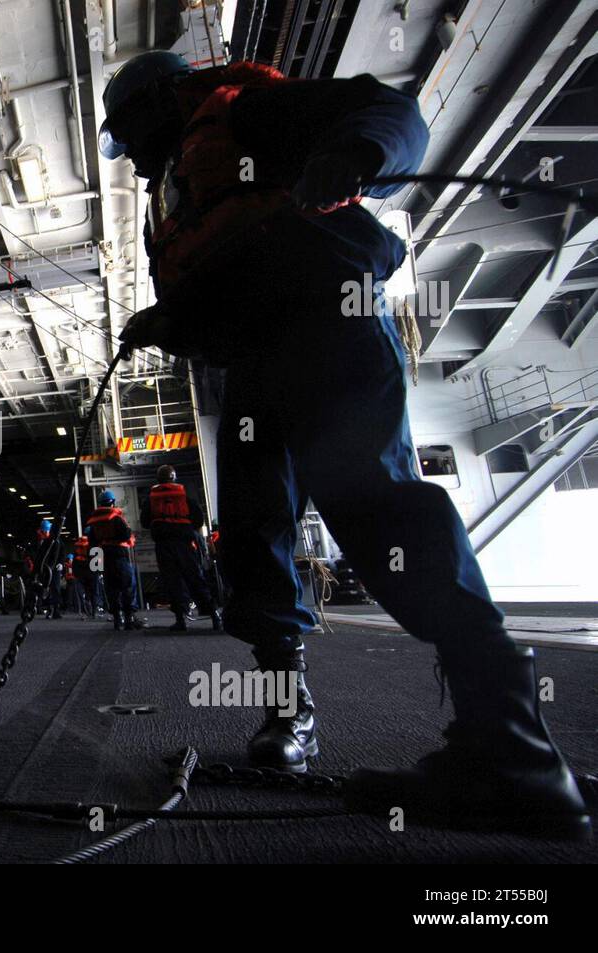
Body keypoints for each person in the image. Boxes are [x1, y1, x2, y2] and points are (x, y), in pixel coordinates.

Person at [104, 50, 588, 837]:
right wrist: (171, 321)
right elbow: (221, 283)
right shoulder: (177, 189)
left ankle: (510, 746)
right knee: (253, 536)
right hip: (255, 363)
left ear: (161, 101)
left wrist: (353, 156)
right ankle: (288, 717)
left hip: (328, 319)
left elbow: (391, 114)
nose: (134, 161)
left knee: (378, 509)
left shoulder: (243, 114)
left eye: (131, 133)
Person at [147, 465, 221, 632]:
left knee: (173, 582)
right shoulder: (184, 496)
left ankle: (181, 620)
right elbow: (198, 519)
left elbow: (145, 520)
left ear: (158, 479)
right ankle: (215, 615)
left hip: (164, 545)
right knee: (195, 579)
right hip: (185, 543)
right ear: (174, 478)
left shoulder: (152, 498)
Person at [85, 490, 144, 630]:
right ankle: (129, 618)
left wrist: (96, 567)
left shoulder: (94, 523)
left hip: (105, 556)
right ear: (112, 502)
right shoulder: (116, 518)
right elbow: (125, 535)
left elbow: (93, 546)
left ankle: (117, 619)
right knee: (128, 585)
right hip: (120, 554)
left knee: (111, 589)